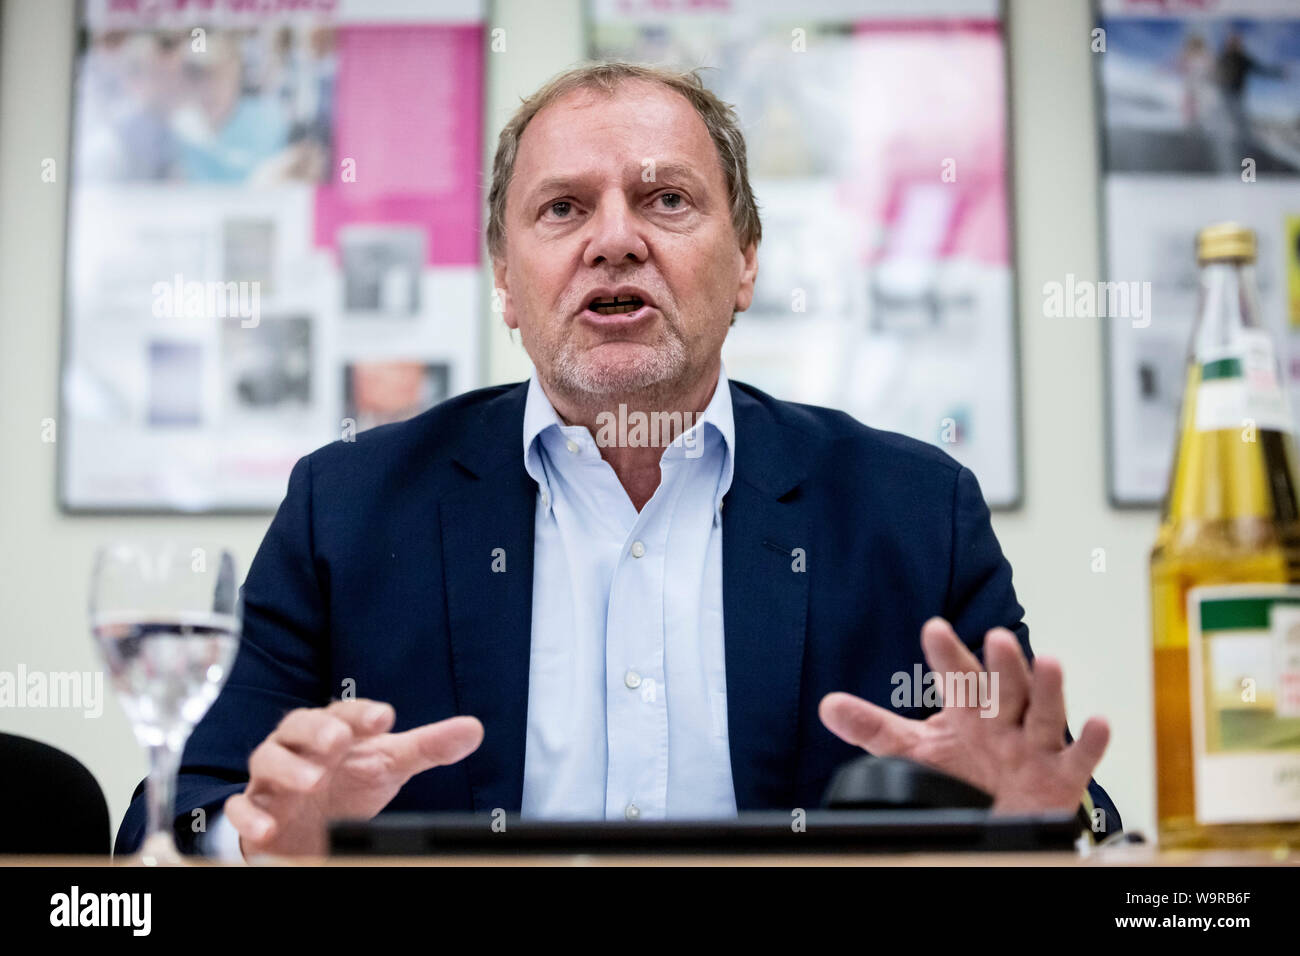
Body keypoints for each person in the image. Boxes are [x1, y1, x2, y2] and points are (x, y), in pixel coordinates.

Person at [116, 62, 1120, 859]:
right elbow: (168, 823)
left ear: (747, 262)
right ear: (505, 280)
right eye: (561, 208)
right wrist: (262, 840)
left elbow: (1047, 787)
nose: (613, 240)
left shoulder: (910, 510)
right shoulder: (348, 505)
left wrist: (1042, 829)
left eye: (667, 199)